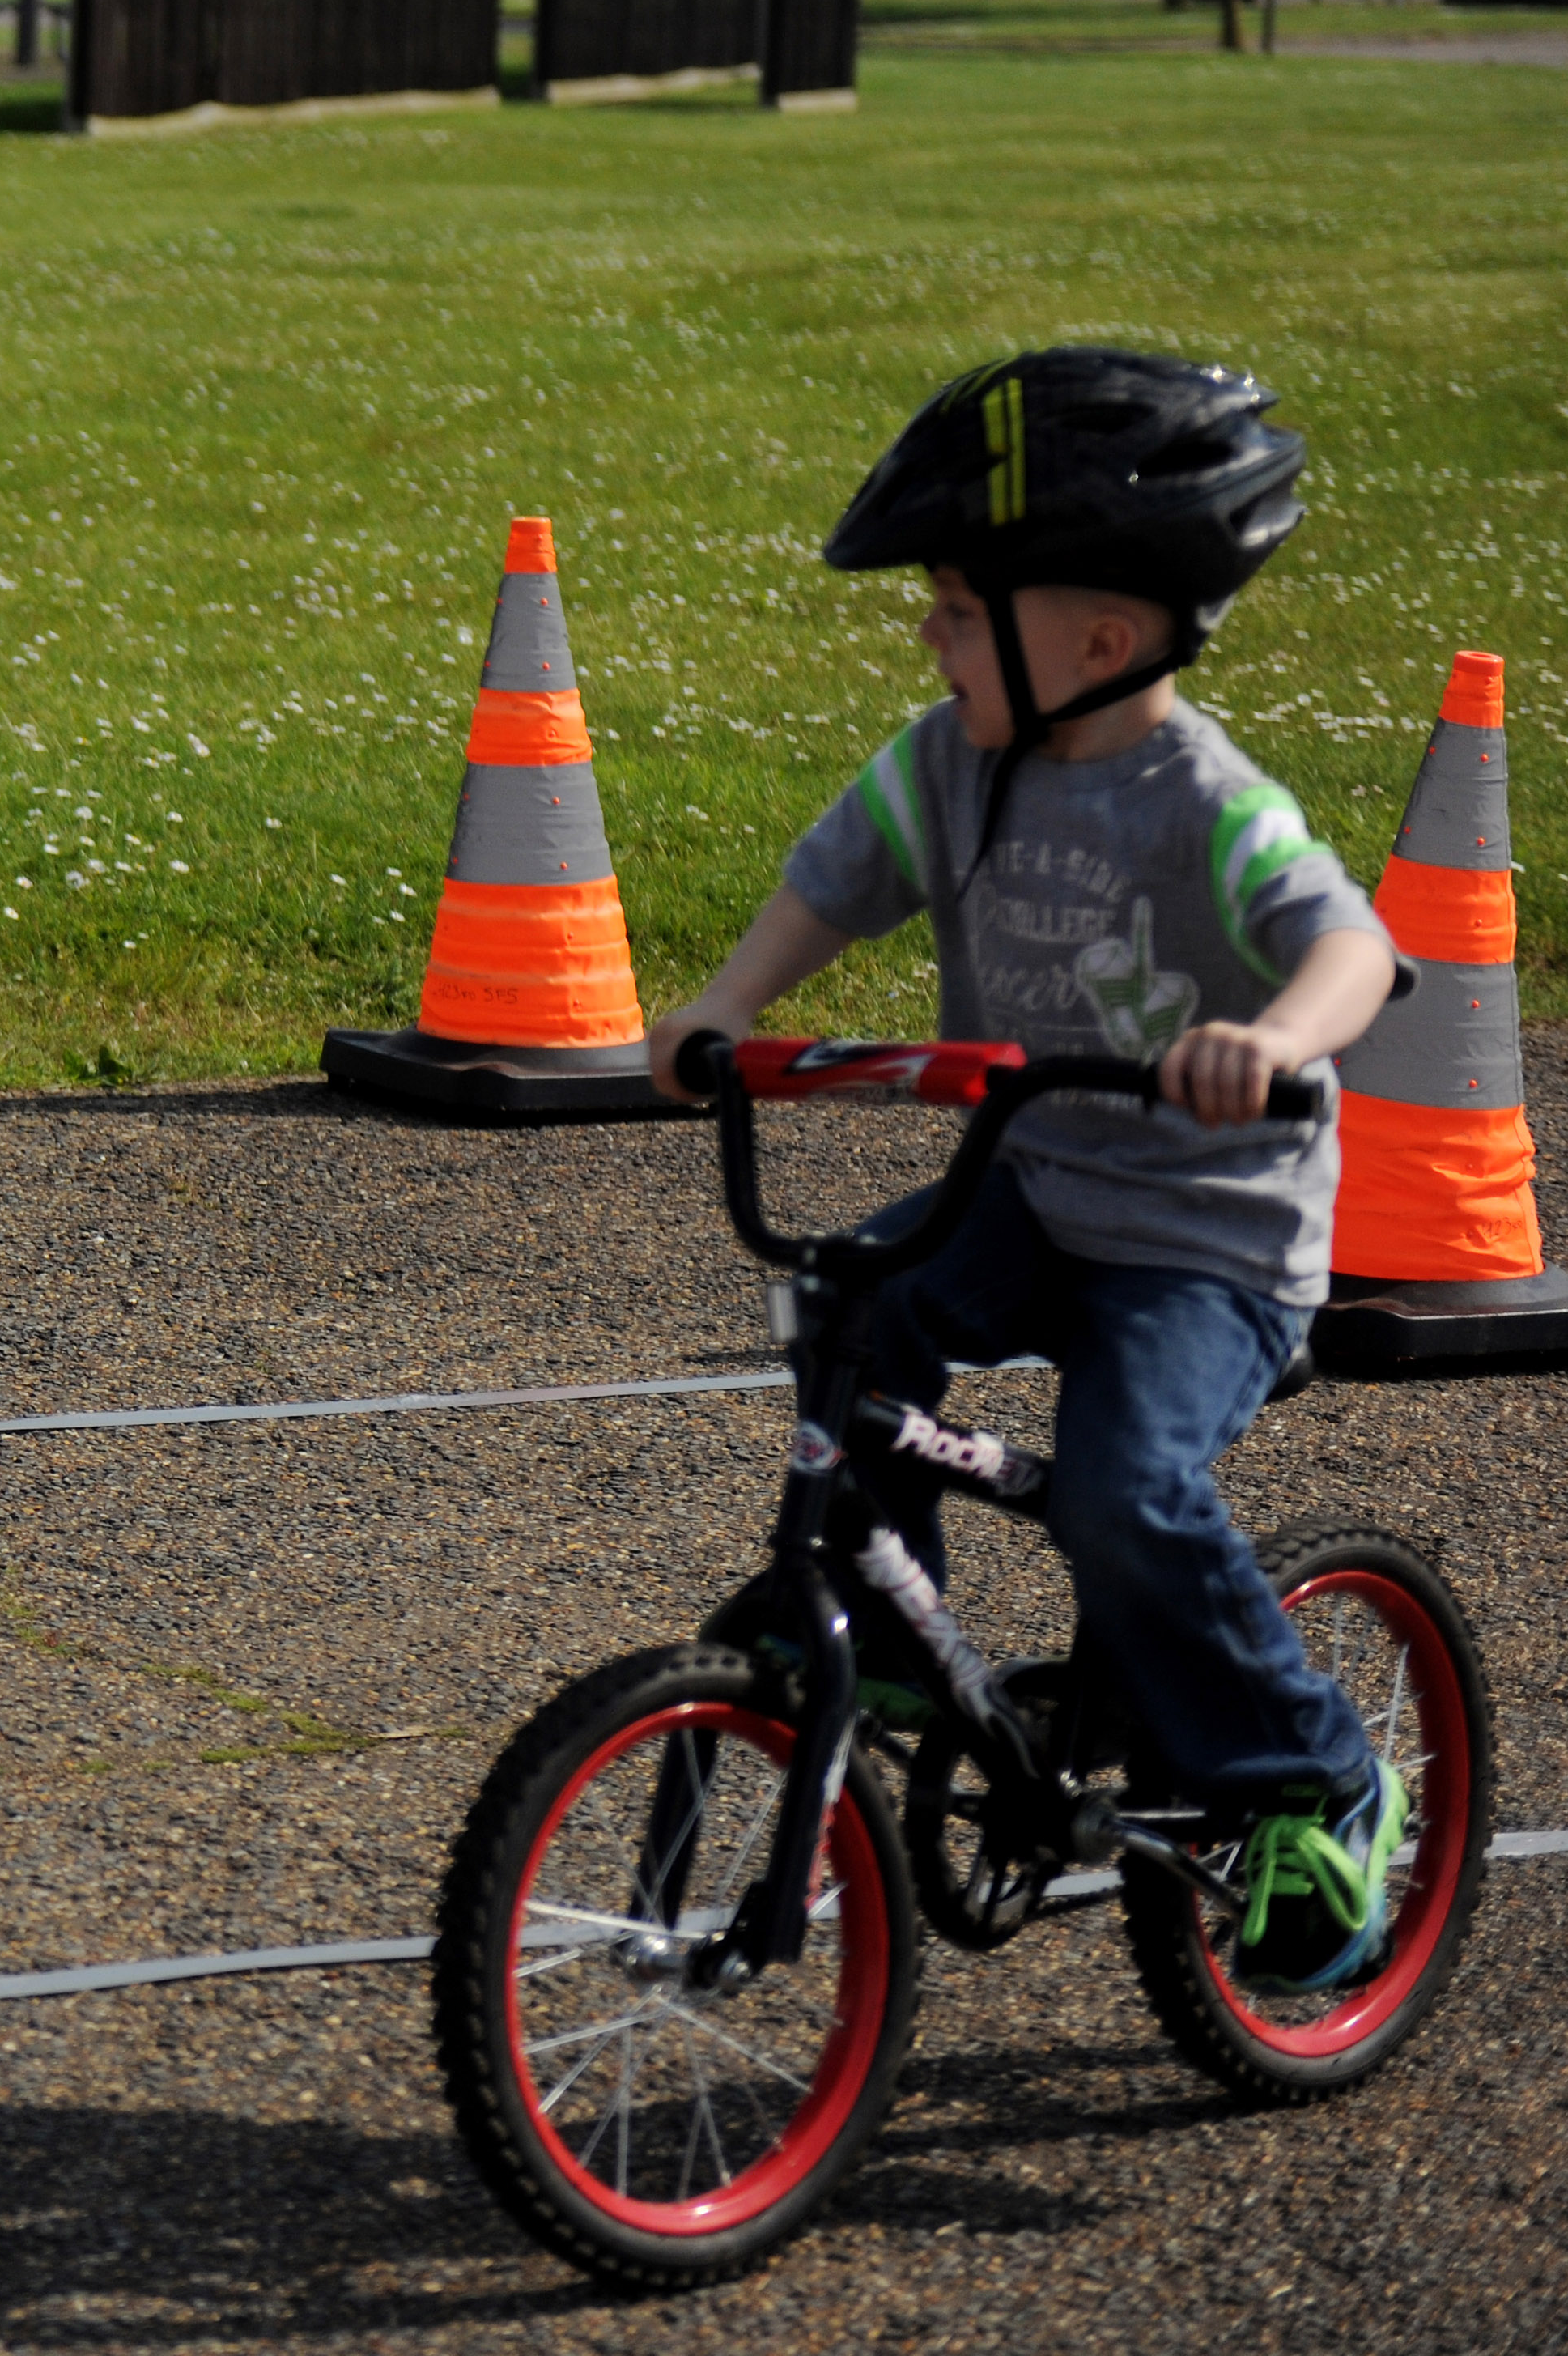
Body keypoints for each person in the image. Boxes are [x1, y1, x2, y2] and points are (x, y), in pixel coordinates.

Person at [647, 346, 1408, 1991]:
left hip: (1206, 1243)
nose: (926, 634)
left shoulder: (1206, 801)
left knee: (1127, 1494)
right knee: (856, 1307)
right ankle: (899, 1636)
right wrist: (724, 1006)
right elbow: (833, 886)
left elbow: (1350, 946)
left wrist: (1275, 1043)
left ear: (1099, 643)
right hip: (1037, 1184)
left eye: (955, 607)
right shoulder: (954, 763)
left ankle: (1313, 1784)